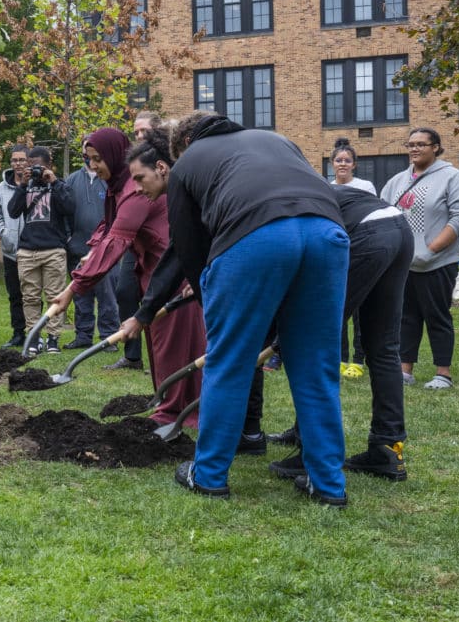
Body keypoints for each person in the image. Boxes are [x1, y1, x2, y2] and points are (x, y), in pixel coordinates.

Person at [125, 111, 350, 506]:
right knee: (317, 365)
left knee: (229, 361)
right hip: (328, 234)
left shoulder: (188, 163)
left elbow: (188, 248)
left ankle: (209, 475)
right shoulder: (277, 139)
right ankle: (328, 484)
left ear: (181, 146)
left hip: (256, 239)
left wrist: (210, 297)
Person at [51, 128, 206, 428]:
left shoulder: (136, 191)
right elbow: (106, 230)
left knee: (173, 346)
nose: (93, 166)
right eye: (88, 159)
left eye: (98, 159)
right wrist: (86, 264)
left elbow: (116, 240)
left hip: (174, 275)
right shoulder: (121, 189)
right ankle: (171, 403)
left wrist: (73, 289)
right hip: (157, 273)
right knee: (162, 346)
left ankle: (176, 410)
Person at [266, 185, 415, 482]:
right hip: (399, 228)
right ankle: (387, 450)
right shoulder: (299, 185)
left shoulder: (275, 200)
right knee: (384, 347)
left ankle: (312, 453)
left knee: (312, 342)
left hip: (367, 234)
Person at [380, 127, 459, 390]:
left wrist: (433, 247)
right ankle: (405, 370)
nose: (414, 149)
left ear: (436, 147)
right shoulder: (397, 181)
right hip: (404, 264)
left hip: (438, 262)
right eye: (410, 144)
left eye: (421, 144)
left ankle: (443, 373)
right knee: (406, 317)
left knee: (437, 316)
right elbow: (383, 213)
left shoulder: (452, 177)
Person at [107, 112, 163, 369]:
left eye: (145, 131)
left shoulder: (163, 161)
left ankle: (160, 353)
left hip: (159, 244)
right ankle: (132, 356)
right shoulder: (133, 166)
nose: (139, 136)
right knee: (125, 290)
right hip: (135, 241)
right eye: (136, 132)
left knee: (158, 294)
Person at [9, 145, 74, 355]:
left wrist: (53, 182)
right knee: (29, 298)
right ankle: (34, 337)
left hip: (54, 249)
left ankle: (53, 339)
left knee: (55, 296)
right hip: (28, 250)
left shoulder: (59, 185)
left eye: (39, 167)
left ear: (49, 166)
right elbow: (12, 211)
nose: (35, 170)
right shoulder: (25, 186)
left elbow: (70, 208)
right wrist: (22, 184)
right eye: (31, 166)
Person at [62, 137, 120, 350]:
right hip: (78, 248)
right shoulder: (71, 180)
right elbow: (63, 212)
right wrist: (69, 238)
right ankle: (83, 336)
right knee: (80, 296)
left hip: (107, 250)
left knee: (108, 297)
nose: (90, 159)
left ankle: (109, 338)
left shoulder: (110, 180)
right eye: (87, 154)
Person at [329, 137, 376, 379]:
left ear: (354, 164)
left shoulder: (365, 187)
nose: (343, 164)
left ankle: (358, 360)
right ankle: (338, 358)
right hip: (336, 254)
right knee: (338, 308)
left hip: (361, 251)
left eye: (348, 160)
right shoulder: (325, 186)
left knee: (358, 310)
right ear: (332, 164)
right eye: (339, 160)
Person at [0, 145, 28, 348]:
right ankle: (18, 333)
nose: (18, 163)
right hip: (10, 250)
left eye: (22, 160)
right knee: (15, 294)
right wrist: (4, 234)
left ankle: (34, 332)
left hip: (32, 249)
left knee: (32, 294)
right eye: (15, 160)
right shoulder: (2, 188)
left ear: (28, 161)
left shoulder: (34, 184)